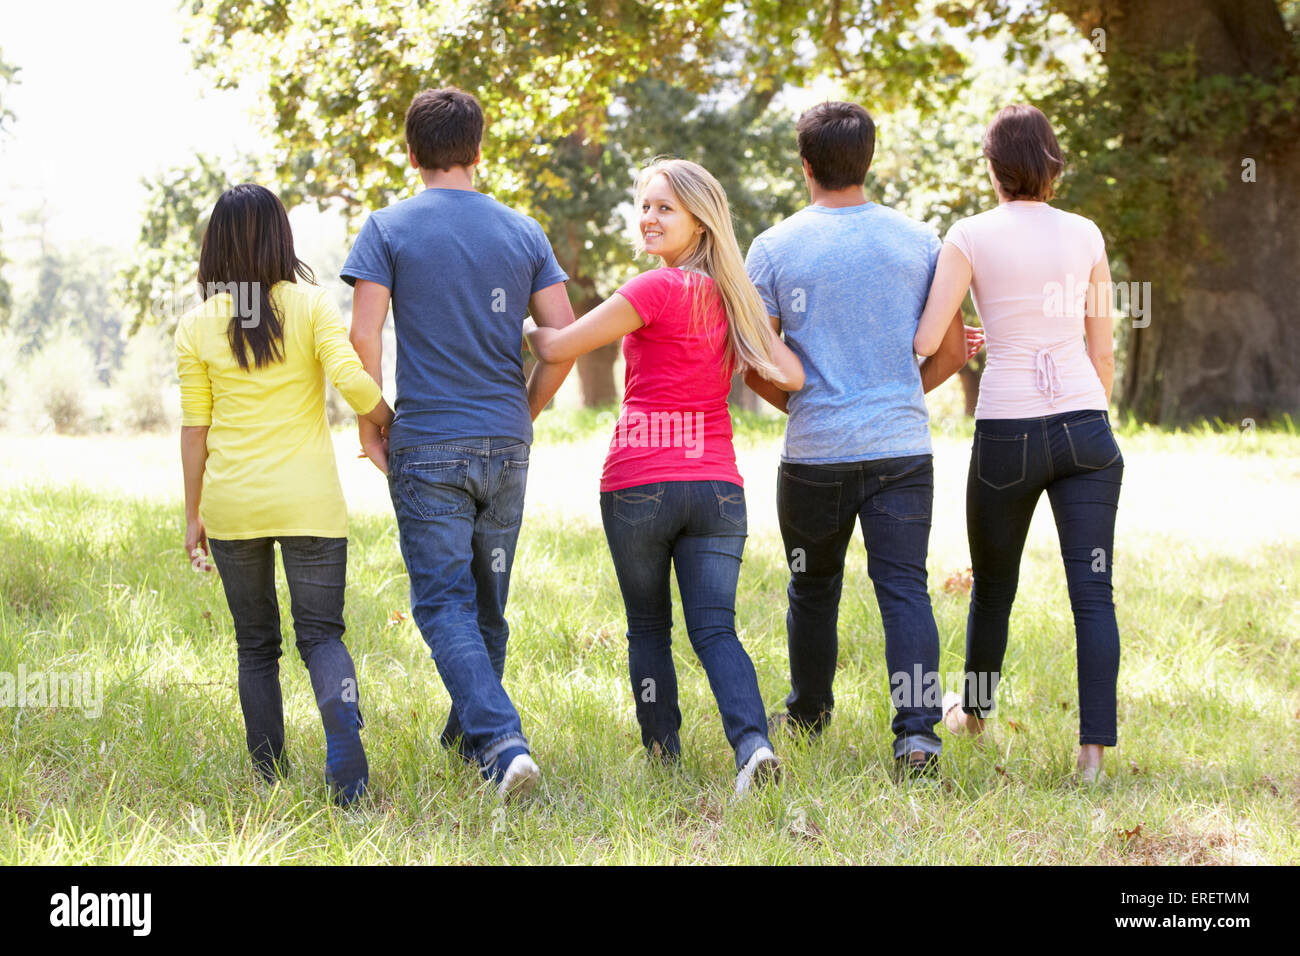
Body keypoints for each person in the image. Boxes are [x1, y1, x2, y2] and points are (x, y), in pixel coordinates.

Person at [524, 158, 804, 795]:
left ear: (700, 222)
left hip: (640, 482)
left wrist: (520, 323)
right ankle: (752, 745)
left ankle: (664, 757)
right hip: (717, 488)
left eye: (664, 208)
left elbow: (558, 346)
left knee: (648, 625)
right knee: (716, 628)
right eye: (645, 205)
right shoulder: (735, 300)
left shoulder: (653, 290)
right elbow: (792, 376)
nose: (649, 218)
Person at [342, 87, 576, 799]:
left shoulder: (386, 229)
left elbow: (361, 336)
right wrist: (525, 410)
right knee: (487, 604)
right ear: (478, 151)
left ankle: (504, 746)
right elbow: (560, 342)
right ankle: (470, 742)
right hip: (505, 440)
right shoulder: (524, 231)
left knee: (443, 604)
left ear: (411, 154)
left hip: (429, 443)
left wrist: (371, 417)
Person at [744, 101, 970, 779]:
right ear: (869, 159)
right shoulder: (920, 243)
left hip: (815, 453)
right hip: (903, 449)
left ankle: (810, 712)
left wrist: (803, 404)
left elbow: (754, 361)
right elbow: (954, 350)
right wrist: (897, 396)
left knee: (812, 589)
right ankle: (918, 734)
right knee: (905, 588)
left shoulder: (775, 247)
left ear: (805, 164)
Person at [914, 104, 1121, 784]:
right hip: (1087, 430)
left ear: (993, 169)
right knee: (1093, 594)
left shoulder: (968, 235)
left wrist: (970, 341)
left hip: (1008, 432)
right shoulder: (1086, 233)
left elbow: (924, 342)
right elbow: (1102, 349)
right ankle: (1092, 754)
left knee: (993, 587)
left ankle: (971, 715)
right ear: (1052, 164)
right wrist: (1089, 415)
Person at [176, 183, 393, 806]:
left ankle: (269, 774)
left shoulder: (196, 325)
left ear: (215, 246)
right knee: (322, 635)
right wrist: (392, 424)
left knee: (255, 643)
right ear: (281, 237)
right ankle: (342, 732)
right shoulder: (311, 304)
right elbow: (350, 377)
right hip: (310, 503)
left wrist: (193, 516)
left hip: (233, 505)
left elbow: (196, 432)